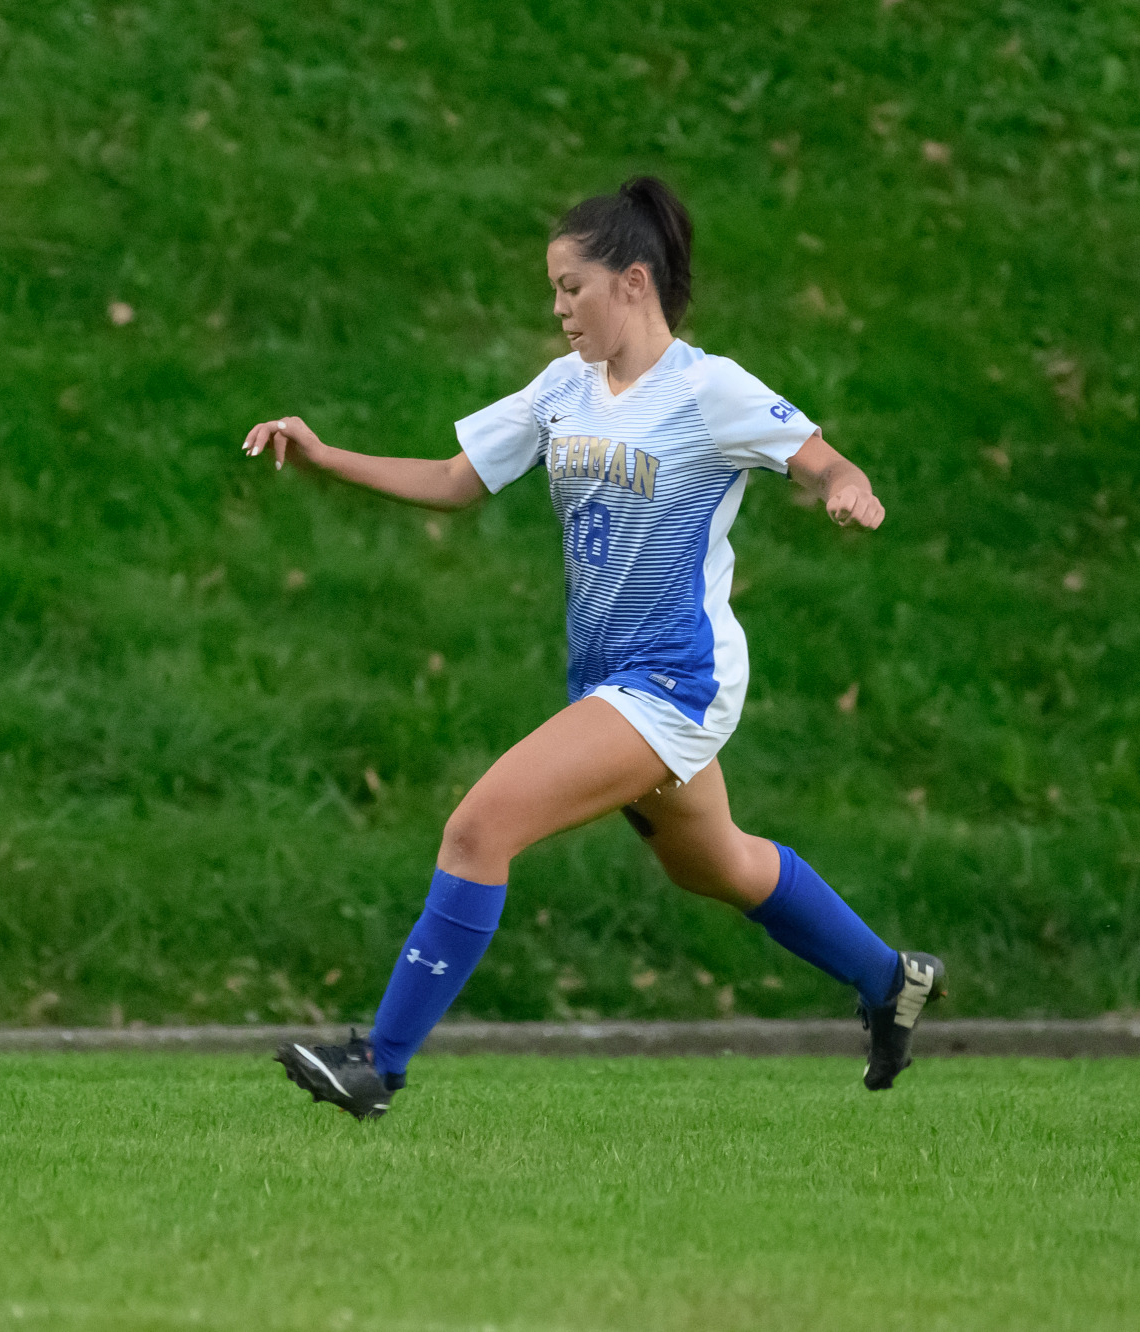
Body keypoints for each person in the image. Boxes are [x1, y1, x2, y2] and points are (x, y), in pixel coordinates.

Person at [244, 176, 942, 1120]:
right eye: (555, 290)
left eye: (571, 287)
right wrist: (327, 457)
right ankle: (891, 980)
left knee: (479, 830)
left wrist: (845, 489)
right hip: (608, 680)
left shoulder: (707, 389)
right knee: (717, 865)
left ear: (633, 283)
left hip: (677, 680)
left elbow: (821, 459)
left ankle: (380, 1064)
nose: (559, 308)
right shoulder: (562, 389)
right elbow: (455, 479)